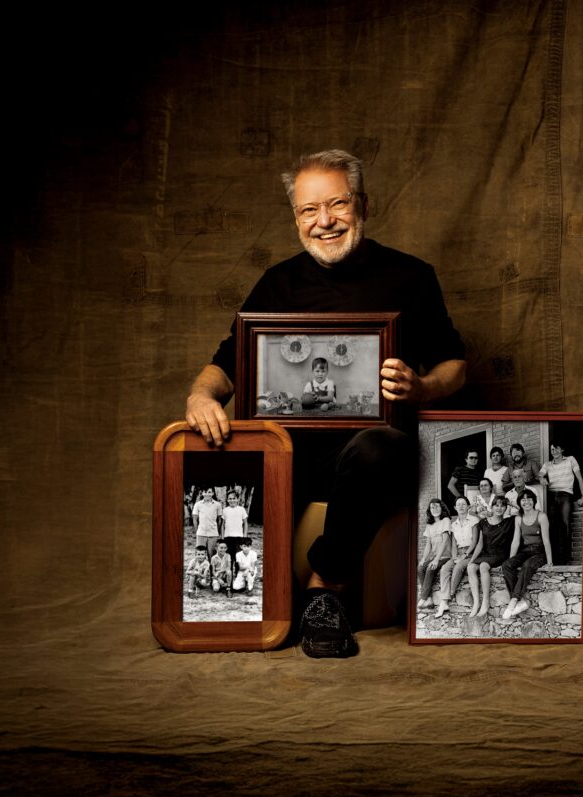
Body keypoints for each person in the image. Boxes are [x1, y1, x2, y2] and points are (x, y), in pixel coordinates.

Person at [185, 150, 467, 657]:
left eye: (337, 204)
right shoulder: (278, 283)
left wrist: (422, 388)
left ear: (363, 204)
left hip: (372, 458)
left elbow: (455, 365)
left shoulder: (411, 276)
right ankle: (245, 599)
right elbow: (228, 363)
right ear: (296, 217)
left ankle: (322, 593)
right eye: (308, 210)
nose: (324, 221)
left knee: (380, 448)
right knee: (237, 451)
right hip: (291, 451)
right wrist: (200, 395)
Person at [501, 489, 553, 620]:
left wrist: (550, 561)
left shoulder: (541, 516)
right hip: (526, 550)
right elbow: (515, 541)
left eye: (529, 499)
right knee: (507, 565)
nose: (526, 502)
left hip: (539, 551)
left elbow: (546, 540)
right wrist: (511, 560)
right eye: (523, 499)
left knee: (527, 565)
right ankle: (521, 601)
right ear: (520, 502)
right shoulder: (518, 518)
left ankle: (513, 601)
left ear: (534, 501)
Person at [466, 496, 514, 618]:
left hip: (500, 554)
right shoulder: (484, 522)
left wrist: (512, 504)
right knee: (471, 567)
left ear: (506, 508)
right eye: (496, 505)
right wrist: (471, 560)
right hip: (486, 553)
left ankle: (485, 602)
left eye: (502, 505)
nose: (499, 508)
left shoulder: (509, 522)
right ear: (491, 507)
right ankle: (476, 603)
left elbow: (522, 513)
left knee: (483, 566)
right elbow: (480, 544)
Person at [538, 441, 583, 564]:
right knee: (552, 526)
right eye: (552, 450)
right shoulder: (548, 464)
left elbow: (579, 478)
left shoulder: (570, 460)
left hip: (565, 494)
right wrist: (542, 478)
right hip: (551, 496)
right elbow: (540, 474)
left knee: (565, 524)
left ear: (562, 449)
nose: (554, 452)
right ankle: (555, 559)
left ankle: (566, 558)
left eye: (556, 448)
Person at [438, 496, 479, 611]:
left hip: (471, 552)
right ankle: (444, 601)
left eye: (463, 504)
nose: (461, 506)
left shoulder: (474, 521)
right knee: (445, 568)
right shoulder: (453, 524)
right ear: (455, 508)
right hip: (458, 553)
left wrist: (465, 555)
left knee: (458, 567)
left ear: (468, 506)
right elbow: (454, 544)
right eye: (458, 504)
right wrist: (454, 557)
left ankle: (449, 595)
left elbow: (475, 541)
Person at [417, 499, 452, 616]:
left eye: (437, 506)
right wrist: (423, 558)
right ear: (429, 510)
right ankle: (429, 599)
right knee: (420, 567)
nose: (435, 509)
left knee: (430, 568)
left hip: (446, 556)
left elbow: (445, 540)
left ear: (441, 508)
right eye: (432, 507)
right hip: (436, 557)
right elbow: (428, 544)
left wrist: (436, 559)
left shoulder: (445, 520)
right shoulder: (430, 525)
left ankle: (423, 597)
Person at [192, 487, 222, 557]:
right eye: (205, 492)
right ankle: (201, 568)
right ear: (202, 493)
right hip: (201, 533)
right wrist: (198, 531)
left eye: (209, 492)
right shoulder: (198, 504)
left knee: (212, 554)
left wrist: (217, 531)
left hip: (213, 534)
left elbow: (219, 520)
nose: (207, 494)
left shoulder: (217, 505)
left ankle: (212, 568)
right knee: (200, 554)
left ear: (213, 493)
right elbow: (195, 519)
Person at [222, 490, 249, 564]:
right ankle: (229, 573)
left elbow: (245, 523)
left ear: (237, 499)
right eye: (230, 499)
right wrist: (222, 537)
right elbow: (223, 524)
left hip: (239, 537)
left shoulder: (241, 509)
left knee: (238, 557)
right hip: (228, 537)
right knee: (229, 558)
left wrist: (245, 536)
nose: (232, 500)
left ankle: (238, 574)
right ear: (227, 500)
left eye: (234, 498)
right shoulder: (225, 510)